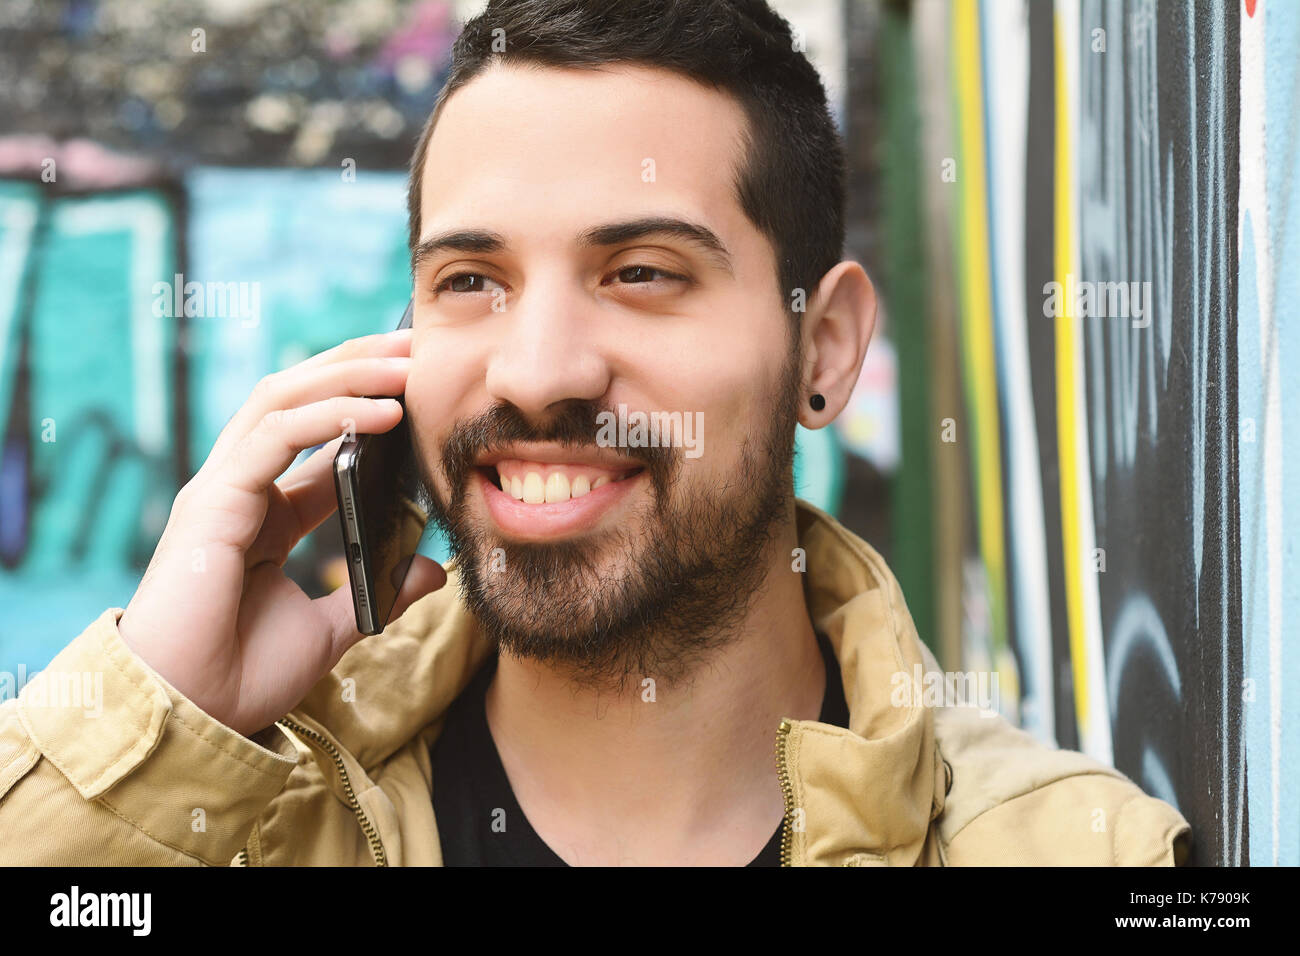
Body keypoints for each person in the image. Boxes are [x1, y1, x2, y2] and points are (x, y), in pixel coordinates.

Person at [0, 0, 1189, 866]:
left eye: (639, 270)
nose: (536, 372)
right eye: (471, 278)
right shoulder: (226, 828)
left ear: (821, 348)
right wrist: (151, 722)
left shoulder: (1083, 856)